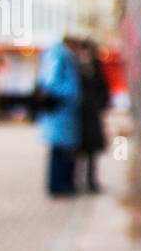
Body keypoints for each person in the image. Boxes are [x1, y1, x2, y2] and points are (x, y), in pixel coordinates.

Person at [36, 35, 82, 196]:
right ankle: (58, 185)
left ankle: (63, 184)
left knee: (63, 151)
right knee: (59, 151)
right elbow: (51, 82)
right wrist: (69, 94)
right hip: (61, 112)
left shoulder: (59, 56)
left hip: (64, 113)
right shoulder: (60, 57)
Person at [77, 40, 110, 193]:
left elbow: (104, 88)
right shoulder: (76, 68)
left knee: (92, 151)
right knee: (79, 151)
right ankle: (79, 180)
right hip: (81, 116)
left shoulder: (96, 68)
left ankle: (91, 180)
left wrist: (102, 105)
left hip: (92, 115)